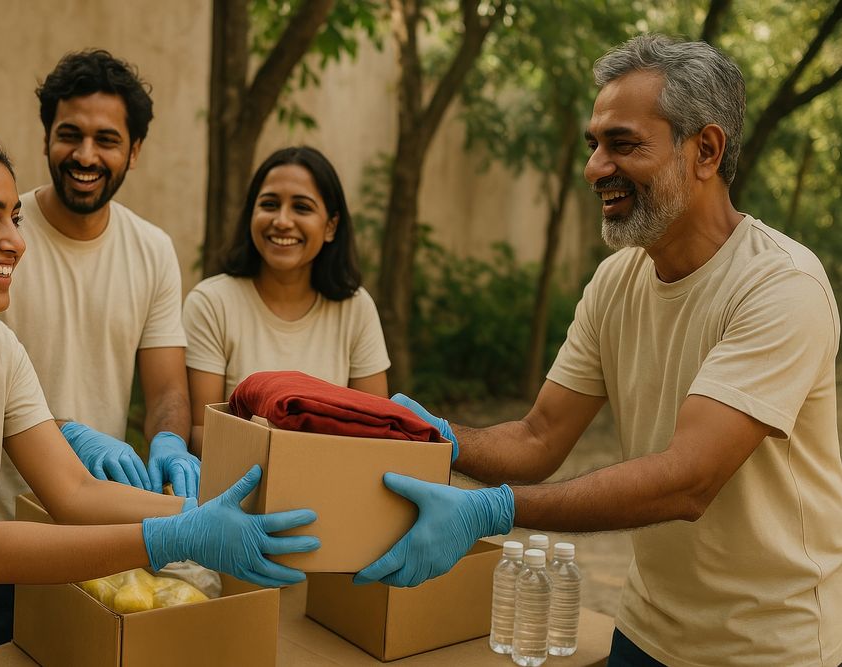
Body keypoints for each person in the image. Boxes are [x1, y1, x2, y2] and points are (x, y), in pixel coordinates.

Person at [354, 34, 842, 667]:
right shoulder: (618, 281)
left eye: (623, 144)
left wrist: (492, 510)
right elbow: (537, 439)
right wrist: (435, 438)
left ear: (706, 150)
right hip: (644, 631)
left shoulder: (781, 286)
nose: (594, 169)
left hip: (769, 648)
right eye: (593, 145)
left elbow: (688, 482)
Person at [0, 131, 319, 666]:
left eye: (14, 219)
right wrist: (173, 537)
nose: (16, 241)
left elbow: (71, 489)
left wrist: (199, 510)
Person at [0, 49, 199, 654]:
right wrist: (68, 434)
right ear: (46, 139)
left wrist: (169, 439)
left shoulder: (152, 250)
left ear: (134, 151)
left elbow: (168, 388)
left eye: (106, 139)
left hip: (97, 536)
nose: (86, 155)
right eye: (70, 134)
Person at [183, 146, 390, 452]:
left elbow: (377, 430)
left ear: (331, 226)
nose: (282, 221)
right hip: (235, 490)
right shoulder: (211, 303)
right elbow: (200, 431)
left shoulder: (356, 308)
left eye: (302, 208)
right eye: (269, 204)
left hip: (334, 484)